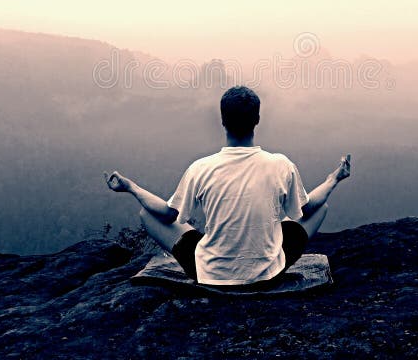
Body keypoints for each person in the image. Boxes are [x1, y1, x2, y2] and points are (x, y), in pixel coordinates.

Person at [104, 85, 351, 288]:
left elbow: (169, 215)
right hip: (267, 274)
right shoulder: (280, 165)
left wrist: (131, 187)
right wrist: (334, 179)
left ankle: (217, 260)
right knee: (319, 207)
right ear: (257, 119)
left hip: (210, 274)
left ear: (222, 120)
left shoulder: (201, 168)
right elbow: (307, 211)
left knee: (148, 213)